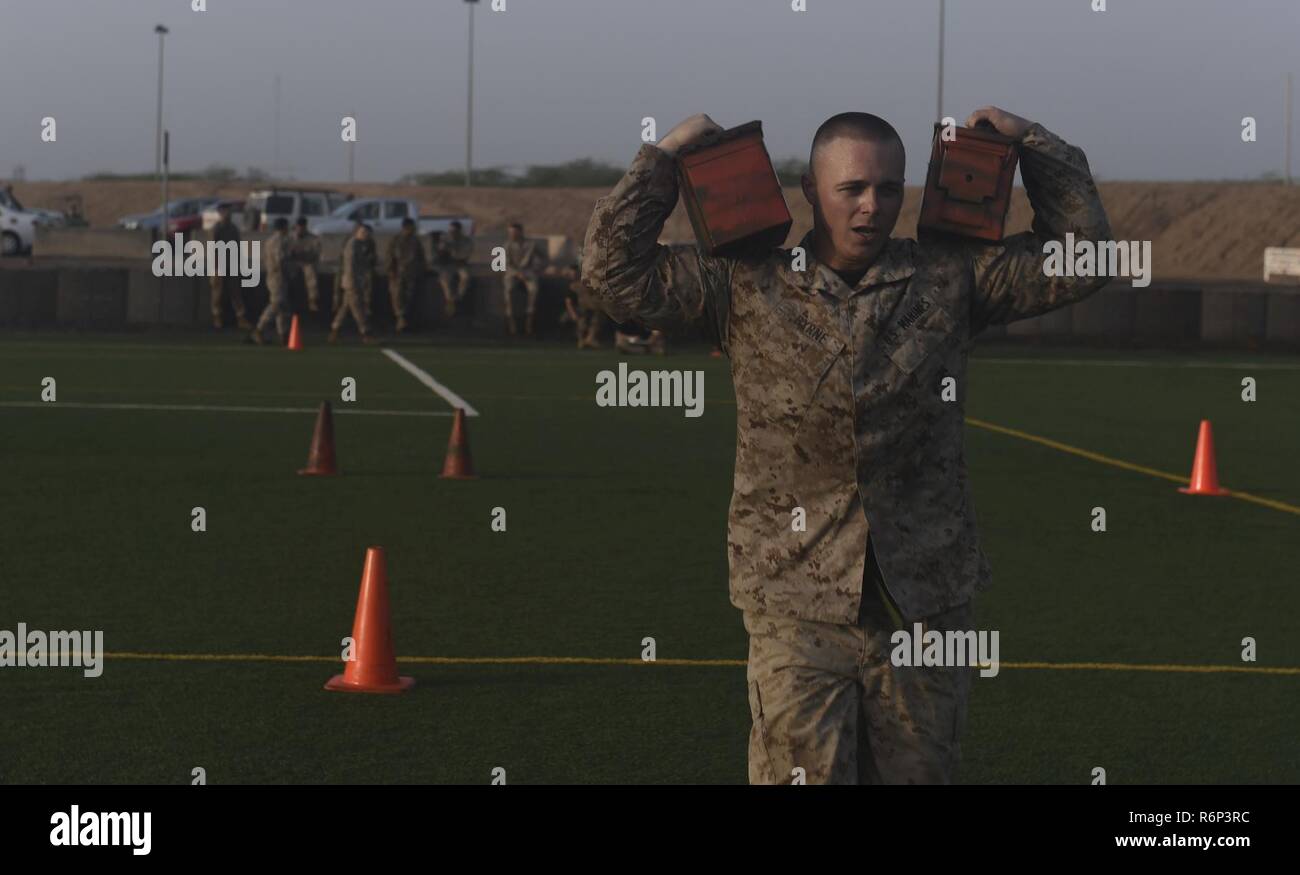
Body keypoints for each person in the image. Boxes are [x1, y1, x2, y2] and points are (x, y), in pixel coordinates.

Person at [582, 107, 1111, 785]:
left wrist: (1028, 141)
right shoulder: (746, 283)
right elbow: (609, 273)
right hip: (793, 596)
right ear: (810, 189)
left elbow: (1084, 255)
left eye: (888, 189)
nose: (871, 207)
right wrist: (665, 155)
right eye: (852, 188)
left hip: (922, 600)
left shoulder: (950, 280)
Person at [330, 221, 378, 344]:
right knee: (358, 309)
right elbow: (350, 266)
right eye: (363, 232)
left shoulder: (360, 245)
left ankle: (335, 330)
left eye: (367, 233)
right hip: (352, 282)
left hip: (355, 281)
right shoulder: (353, 245)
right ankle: (366, 333)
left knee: (345, 307)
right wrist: (354, 282)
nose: (366, 235)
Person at [250, 217, 293, 345]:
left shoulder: (270, 241)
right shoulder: (279, 241)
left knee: (282, 307)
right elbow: (280, 259)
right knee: (277, 303)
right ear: (284, 227)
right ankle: (259, 328)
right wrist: (288, 270)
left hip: (273, 275)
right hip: (278, 276)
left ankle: (283, 334)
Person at [209, 203, 251, 331]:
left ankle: (241, 318)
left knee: (236, 293)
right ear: (221, 213)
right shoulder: (216, 229)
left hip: (232, 265)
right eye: (226, 211)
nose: (229, 214)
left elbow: (238, 247)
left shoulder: (233, 228)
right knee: (217, 294)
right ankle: (217, 318)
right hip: (219, 266)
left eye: (229, 211)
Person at [502, 222, 546, 336]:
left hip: (528, 272)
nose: (512, 235)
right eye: (510, 233)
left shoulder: (531, 244)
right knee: (509, 291)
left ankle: (529, 322)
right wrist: (517, 273)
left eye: (514, 232)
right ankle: (511, 323)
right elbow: (506, 263)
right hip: (512, 273)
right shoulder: (507, 245)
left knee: (534, 290)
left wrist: (537, 268)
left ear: (520, 232)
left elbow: (543, 257)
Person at [384, 217, 427, 334]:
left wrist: (422, 269)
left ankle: (404, 319)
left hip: (411, 273)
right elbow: (389, 256)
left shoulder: (415, 241)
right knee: (397, 296)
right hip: (397, 273)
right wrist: (390, 270)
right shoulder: (395, 240)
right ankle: (400, 319)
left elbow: (421, 257)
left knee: (409, 296)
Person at [436, 220, 474, 318]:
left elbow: (465, 255)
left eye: (455, 231)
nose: (453, 233)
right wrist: (444, 247)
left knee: (465, 277)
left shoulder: (466, 240)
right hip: (449, 264)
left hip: (461, 264)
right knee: (444, 279)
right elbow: (440, 254)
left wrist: (452, 251)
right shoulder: (445, 239)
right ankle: (449, 299)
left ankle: (458, 298)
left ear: (459, 231)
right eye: (451, 231)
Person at [289, 217, 322, 313]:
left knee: (311, 275)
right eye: (298, 227)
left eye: (302, 227)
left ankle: (313, 300)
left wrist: (305, 254)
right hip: (293, 262)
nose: (300, 229)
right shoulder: (291, 237)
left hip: (307, 262)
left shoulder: (313, 238)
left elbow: (316, 252)